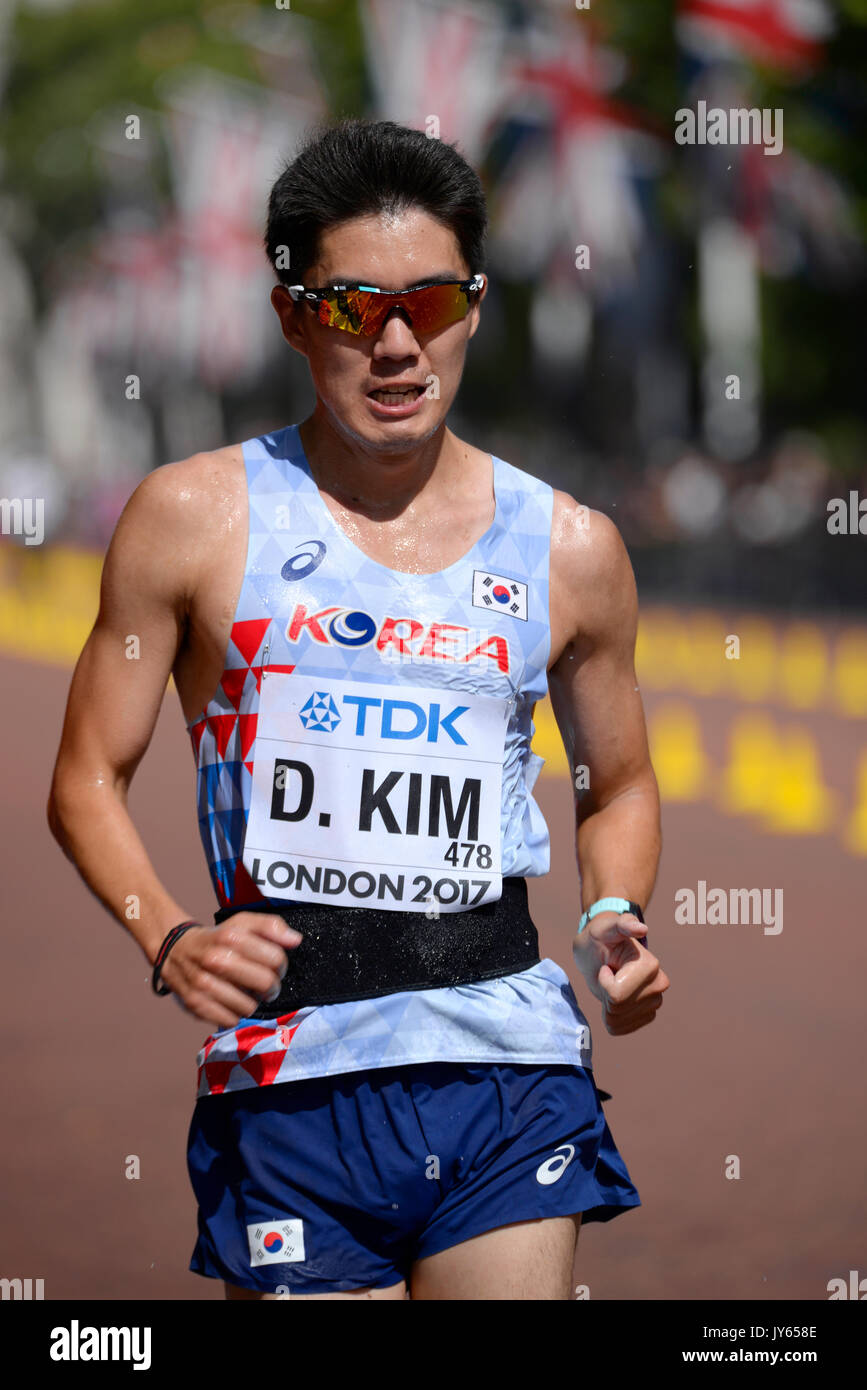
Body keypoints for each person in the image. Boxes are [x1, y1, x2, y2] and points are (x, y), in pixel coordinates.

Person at [47, 117, 669, 1301]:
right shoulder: (192, 518)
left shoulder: (572, 546)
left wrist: (616, 911)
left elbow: (619, 782)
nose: (394, 344)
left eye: (429, 305)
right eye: (351, 309)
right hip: (292, 1075)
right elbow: (83, 777)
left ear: (475, 308)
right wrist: (166, 935)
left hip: (506, 1064)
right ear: (292, 317)